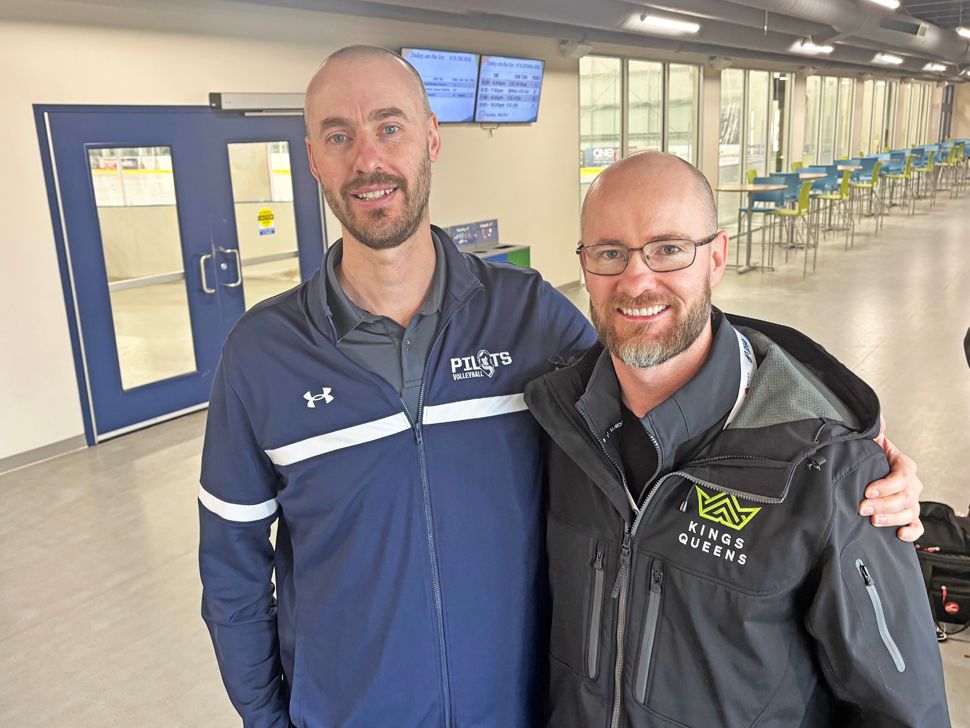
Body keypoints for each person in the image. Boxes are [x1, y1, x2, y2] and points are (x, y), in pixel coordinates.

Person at [198, 46, 926, 727]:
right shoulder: (261, 357)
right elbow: (231, 574)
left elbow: (662, 358)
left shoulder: (528, 317)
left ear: (431, 138)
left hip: (518, 710)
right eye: (338, 136)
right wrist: (268, 718)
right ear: (313, 160)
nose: (369, 158)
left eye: (389, 127)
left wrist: (851, 466)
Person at [524, 151, 949, 727]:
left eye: (669, 248)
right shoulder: (557, 423)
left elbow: (901, 709)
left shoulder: (827, 467)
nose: (636, 279)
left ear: (716, 257)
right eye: (609, 253)